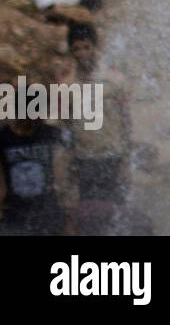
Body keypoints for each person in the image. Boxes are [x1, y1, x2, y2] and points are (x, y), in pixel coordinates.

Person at [67, 22, 133, 234]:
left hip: (112, 156)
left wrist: (125, 160)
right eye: (76, 48)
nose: (82, 53)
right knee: (89, 218)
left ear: (95, 47)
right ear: (71, 51)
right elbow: (65, 128)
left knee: (117, 215)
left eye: (86, 47)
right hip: (84, 160)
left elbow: (126, 122)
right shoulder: (68, 86)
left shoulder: (114, 81)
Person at [0, 119, 74, 236]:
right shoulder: (3, 137)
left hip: (43, 212)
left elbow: (77, 142)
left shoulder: (50, 133)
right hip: (21, 212)